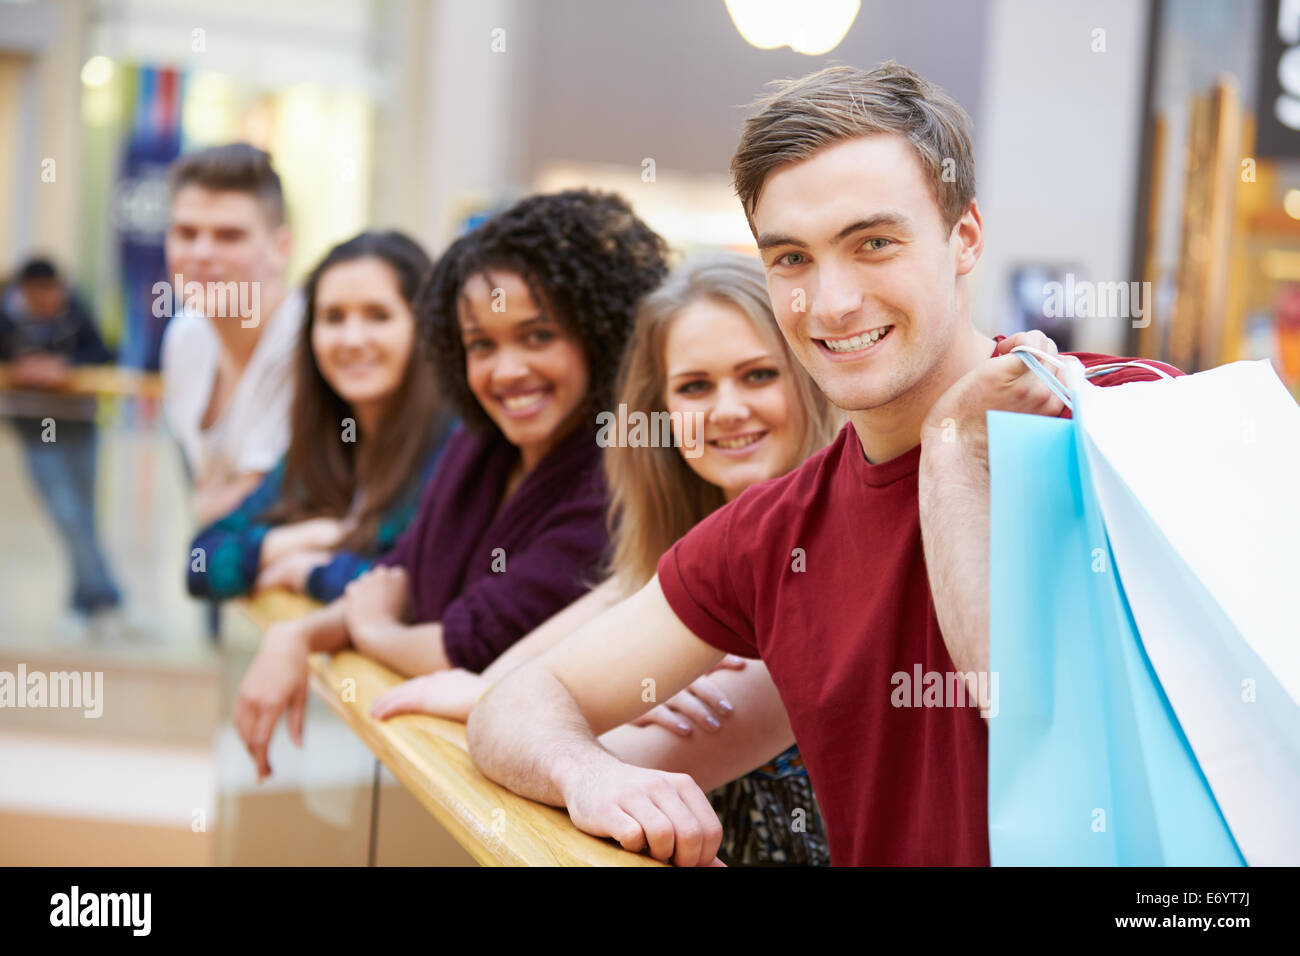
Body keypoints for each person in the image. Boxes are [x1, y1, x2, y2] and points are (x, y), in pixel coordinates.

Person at [464, 62, 1184, 867]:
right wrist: (589, 774)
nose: (832, 302)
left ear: (965, 238)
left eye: (873, 243)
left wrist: (952, 456)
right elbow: (516, 706)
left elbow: (1035, 720)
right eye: (792, 260)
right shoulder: (773, 531)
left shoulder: (1120, 412)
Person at [368, 251, 843, 864]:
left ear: (809, 377)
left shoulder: (823, 565)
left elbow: (606, 759)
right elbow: (506, 689)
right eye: (695, 386)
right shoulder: (673, 554)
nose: (726, 409)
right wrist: (522, 708)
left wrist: (548, 718)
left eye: (758, 375)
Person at [232, 190, 670, 781]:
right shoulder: (477, 443)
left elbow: (466, 648)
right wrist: (296, 635)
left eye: (538, 335)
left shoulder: (615, 475)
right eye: (482, 344)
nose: (507, 369)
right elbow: (400, 574)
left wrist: (376, 631)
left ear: (599, 332)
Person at [185, 231, 454, 603]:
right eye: (333, 317)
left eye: (379, 316)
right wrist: (296, 540)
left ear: (423, 327)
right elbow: (198, 564)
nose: (353, 339)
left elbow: (424, 589)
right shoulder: (329, 441)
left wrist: (309, 573)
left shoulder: (454, 447)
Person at [160, 143, 304, 527]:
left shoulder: (311, 340)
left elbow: (257, 509)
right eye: (186, 233)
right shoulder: (185, 336)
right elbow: (204, 497)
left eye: (229, 236)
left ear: (281, 248)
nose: (202, 253)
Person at [0, 257, 122, 627]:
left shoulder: (74, 306)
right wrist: (20, 371)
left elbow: (104, 353)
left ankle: (84, 600)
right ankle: (103, 595)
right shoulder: (5, 317)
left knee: (83, 515)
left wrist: (63, 367)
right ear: (26, 292)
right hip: (37, 428)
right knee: (67, 513)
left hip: (78, 423)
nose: (53, 300)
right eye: (44, 295)